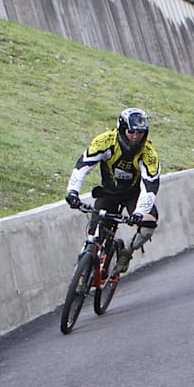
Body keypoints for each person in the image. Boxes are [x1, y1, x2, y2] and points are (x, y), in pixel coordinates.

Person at [64, 107, 160, 273]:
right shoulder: (105, 141)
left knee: (148, 225)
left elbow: (150, 186)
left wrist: (139, 212)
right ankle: (82, 272)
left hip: (134, 195)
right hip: (109, 192)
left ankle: (127, 253)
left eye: (140, 133)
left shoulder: (149, 153)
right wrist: (73, 192)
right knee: (94, 236)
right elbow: (83, 166)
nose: (136, 137)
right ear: (122, 129)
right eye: (131, 132)